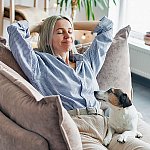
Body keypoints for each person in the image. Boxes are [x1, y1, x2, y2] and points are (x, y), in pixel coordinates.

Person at [7, 15, 150, 150]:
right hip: (77, 129)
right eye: (59, 32)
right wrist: (41, 26)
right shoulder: (38, 64)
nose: (67, 35)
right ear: (47, 38)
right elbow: (15, 31)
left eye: (69, 32)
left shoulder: (87, 62)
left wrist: (69, 22)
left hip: (107, 127)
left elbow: (107, 27)